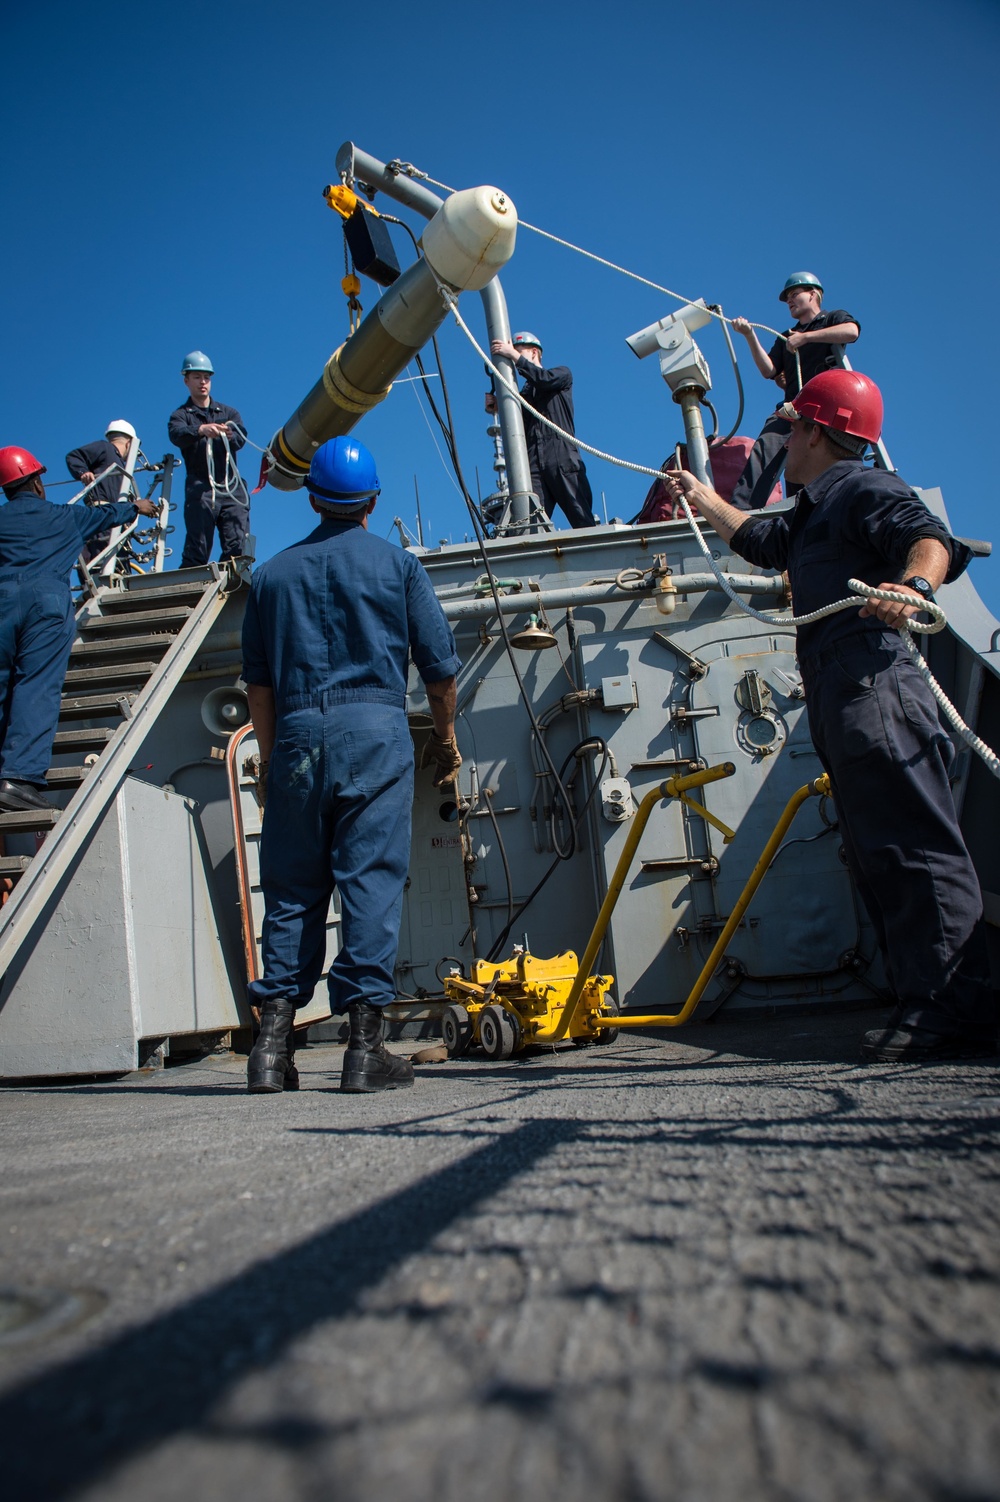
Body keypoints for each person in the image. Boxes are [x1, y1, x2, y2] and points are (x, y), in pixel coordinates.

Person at [663, 369, 997, 1063]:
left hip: (875, 683)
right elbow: (759, 541)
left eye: (790, 426)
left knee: (912, 844)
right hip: (844, 690)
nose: (782, 439)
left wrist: (912, 587)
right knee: (877, 847)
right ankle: (926, 997)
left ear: (813, 429)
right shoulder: (816, 510)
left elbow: (931, 540)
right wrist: (703, 499)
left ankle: (954, 1006)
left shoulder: (864, 487)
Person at [241, 435, 462, 1095]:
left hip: (298, 739)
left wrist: (276, 757)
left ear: (312, 498)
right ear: (372, 502)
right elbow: (440, 674)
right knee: (369, 883)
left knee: (290, 891)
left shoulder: (272, 575)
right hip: (376, 732)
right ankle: (364, 1053)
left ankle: (270, 1050)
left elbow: (258, 688)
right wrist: (446, 739)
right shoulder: (398, 567)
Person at [0, 446, 157, 813]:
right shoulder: (64, 517)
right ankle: (18, 778)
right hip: (46, 605)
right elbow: (106, 515)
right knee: (35, 687)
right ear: (38, 482)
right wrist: (139, 507)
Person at [730, 272, 860, 511]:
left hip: (825, 406)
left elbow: (851, 331)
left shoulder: (831, 318)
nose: (789, 300)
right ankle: (740, 513)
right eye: (787, 297)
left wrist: (807, 338)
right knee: (766, 448)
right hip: (794, 407)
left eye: (794, 294)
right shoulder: (785, 337)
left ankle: (810, 512)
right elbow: (768, 370)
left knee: (813, 461)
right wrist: (749, 335)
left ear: (813, 294)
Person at [488, 331, 597, 529]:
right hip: (534, 463)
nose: (514, 355)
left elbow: (544, 380)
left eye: (519, 350)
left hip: (561, 456)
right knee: (531, 525)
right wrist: (499, 405)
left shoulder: (562, 374)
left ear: (534, 352)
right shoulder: (525, 396)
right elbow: (518, 423)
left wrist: (513, 355)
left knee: (581, 518)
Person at [167, 350, 249, 567]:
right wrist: (201, 429)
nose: (203, 382)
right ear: (186, 380)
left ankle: (232, 586)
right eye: (197, 377)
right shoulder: (181, 416)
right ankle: (190, 590)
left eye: (206, 377)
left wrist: (228, 434)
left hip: (231, 486)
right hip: (201, 488)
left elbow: (241, 439)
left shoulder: (229, 413)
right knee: (198, 546)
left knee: (237, 545)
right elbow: (176, 434)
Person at [65, 419, 138, 564]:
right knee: (103, 565)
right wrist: (83, 472)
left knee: (118, 565)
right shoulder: (106, 448)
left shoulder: (119, 466)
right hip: (103, 516)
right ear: (129, 443)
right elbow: (74, 456)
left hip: (115, 520)